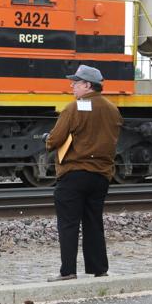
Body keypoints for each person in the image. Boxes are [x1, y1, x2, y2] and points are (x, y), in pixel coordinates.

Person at [45, 64, 122, 281]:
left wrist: (47, 141)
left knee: (69, 223)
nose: (72, 85)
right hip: (101, 175)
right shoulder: (112, 109)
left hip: (74, 174)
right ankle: (99, 269)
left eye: (76, 82)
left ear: (88, 85)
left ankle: (68, 271)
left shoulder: (74, 108)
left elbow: (55, 140)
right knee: (93, 222)